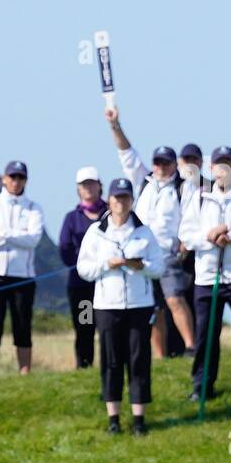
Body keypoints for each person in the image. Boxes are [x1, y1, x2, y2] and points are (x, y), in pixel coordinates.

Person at [76, 177, 164, 435]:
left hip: (139, 304)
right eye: (117, 197)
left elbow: (159, 268)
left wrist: (141, 266)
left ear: (131, 200)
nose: (121, 202)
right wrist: (107, 264)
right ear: (109, 200)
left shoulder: (144, 232)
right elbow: (84, 268)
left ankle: (139, 421)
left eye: (125, 197)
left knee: (139, 361)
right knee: (111, 361)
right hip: (107, 305)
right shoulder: (96, 232)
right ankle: (113, 419)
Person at [105, 108, 195, 357]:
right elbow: (126, 152)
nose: (160, 166)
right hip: (140, 255)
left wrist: (185, 243)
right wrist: (115, 125)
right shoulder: (142, 181)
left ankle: (190, 345)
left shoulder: (183, 188)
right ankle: (160, 355)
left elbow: (190, 218)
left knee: (175, 300)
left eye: (165, 162)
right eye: (157, 162)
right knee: (153, 308)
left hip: (167, 254)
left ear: (174, 164)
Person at [178, 146, 231, 403]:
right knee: (206, 334)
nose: (223, 169)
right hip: (206, 276)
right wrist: (210, 236)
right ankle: (202, 384)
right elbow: (186, 235)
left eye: (228, 163)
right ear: (211, 169)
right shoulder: (199, 197)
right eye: (218, 164)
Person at [0, 160, 44, 375]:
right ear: (4, 178)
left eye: (20, 177)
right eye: (12, 177)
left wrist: (3, 233)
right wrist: (15, 236)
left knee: (23, 326)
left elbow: (33, 239)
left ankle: (24, 372)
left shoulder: (34, 208)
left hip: (22, 276)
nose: (16, 182)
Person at [57, 167, 106, 369]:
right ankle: (84, 365)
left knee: (107, 326)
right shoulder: (72, 218)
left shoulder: (110, 213)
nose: (88, 188)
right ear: (78, 189)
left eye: (92, 183)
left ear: (99, 186)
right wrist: (83, 266)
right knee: (85, 325)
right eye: (84, 185)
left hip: (107, 283)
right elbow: (65, 248)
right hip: (81, 285)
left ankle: (110, 365)